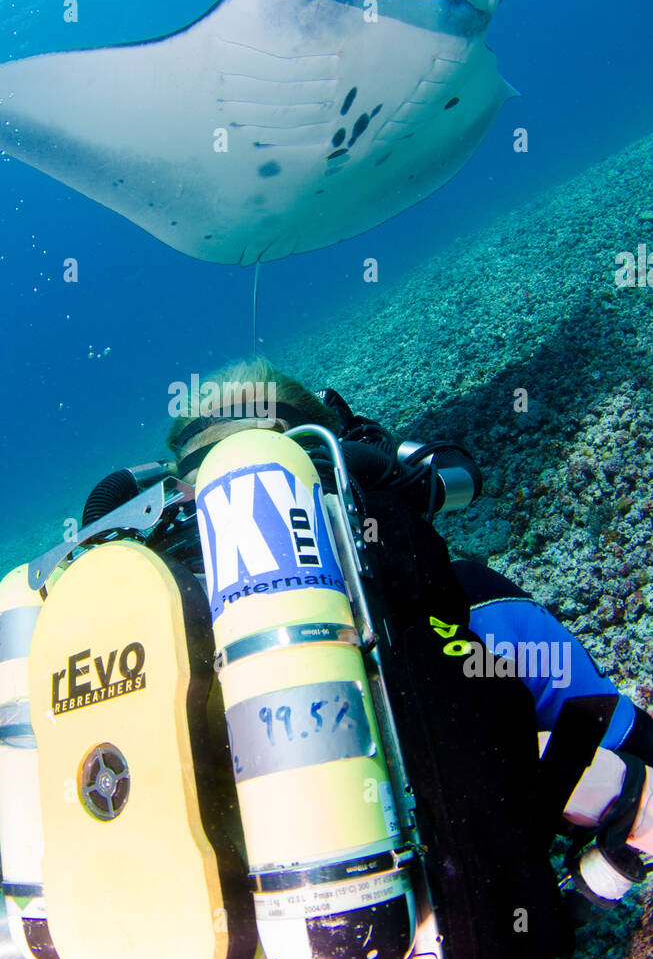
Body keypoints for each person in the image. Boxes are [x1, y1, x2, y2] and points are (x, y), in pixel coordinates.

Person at [159, 356, 653, 912]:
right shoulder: (480, 612)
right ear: (342, 471)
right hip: (460, 932)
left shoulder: (162, 656)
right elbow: (630, 741)